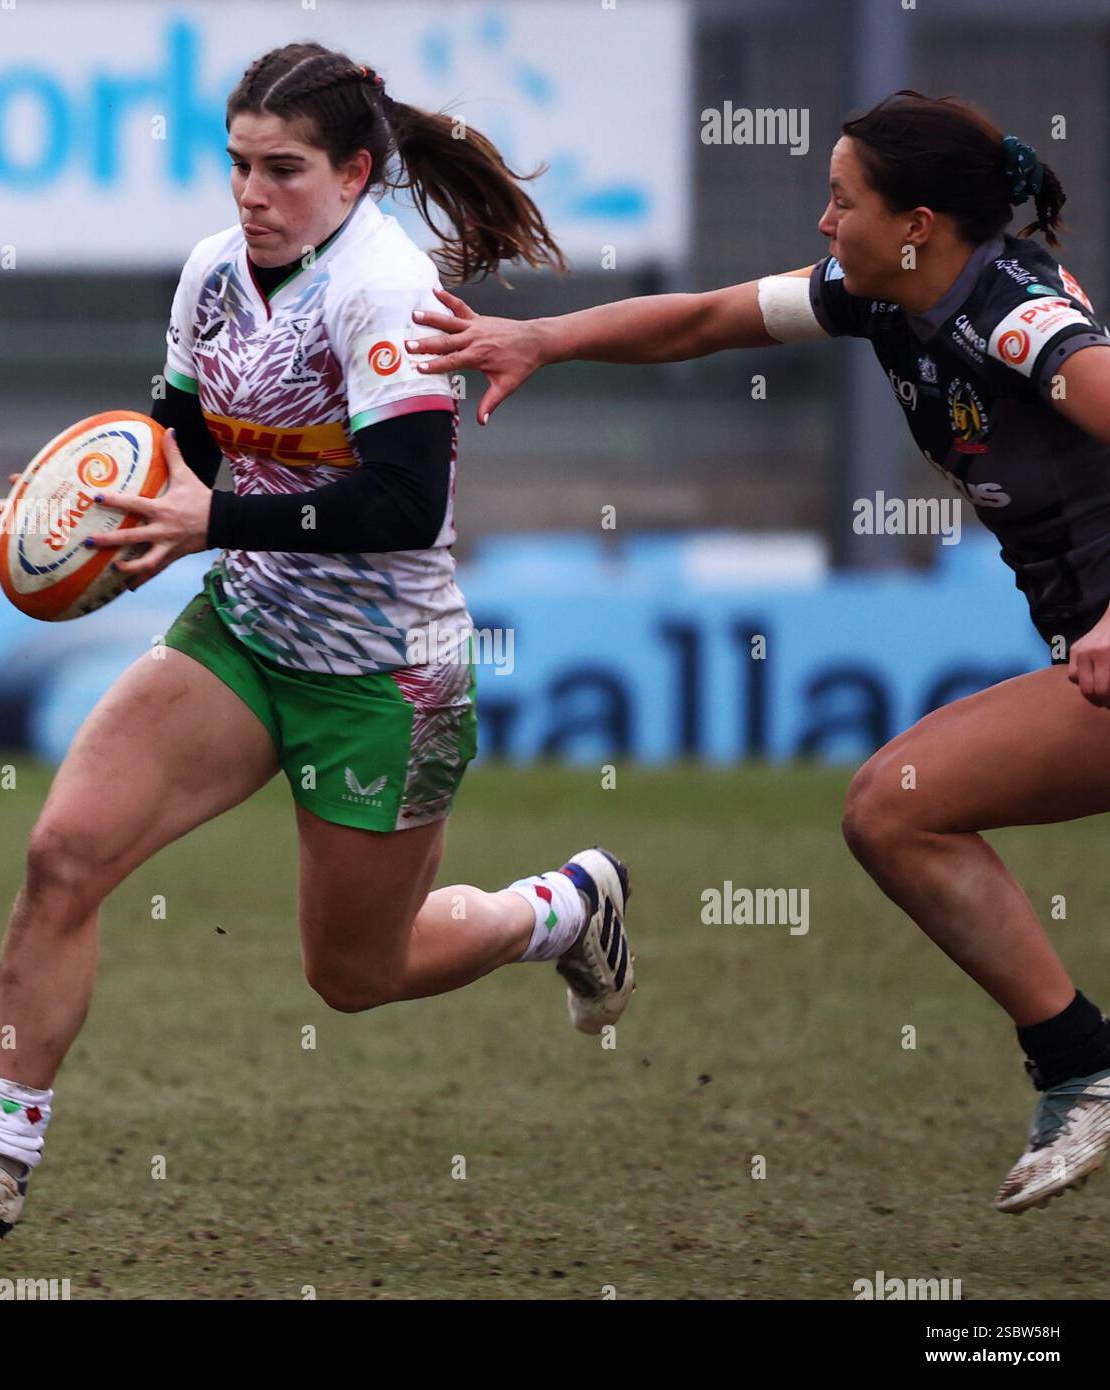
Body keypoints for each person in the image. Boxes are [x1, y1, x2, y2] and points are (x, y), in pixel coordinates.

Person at [0, 42, 633, 1239]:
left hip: (387, 673)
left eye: (283, 169)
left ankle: (565, 909)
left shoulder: (386, 287)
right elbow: (186, 436)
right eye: (237, 166)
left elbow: (403, 500)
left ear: (357, 174)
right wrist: (92, 499)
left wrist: (208, 515)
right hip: (247, 630)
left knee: (355, 974)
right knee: (65, 850)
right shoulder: (214, 275)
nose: (251, 194)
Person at [406, 89, 1110, 1215]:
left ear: (916, 222)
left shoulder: (1014, 321)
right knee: (896, 808)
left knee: (895, 804)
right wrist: (538, 336)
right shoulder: (883, 299)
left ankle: (1080, 1067)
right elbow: (700, 321)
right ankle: (1079, 1061)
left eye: (843, 201)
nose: (824, 223)